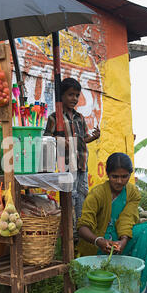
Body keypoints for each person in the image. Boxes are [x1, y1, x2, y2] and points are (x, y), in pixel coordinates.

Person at [77, 152, 147, 293]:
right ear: (108, 174)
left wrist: (123, 240)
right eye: (115, 176)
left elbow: (126, 219)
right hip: (101, 245)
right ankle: (140, 290)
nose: (120, 181)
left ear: (130, 175)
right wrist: (100, 241)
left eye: (124, 176)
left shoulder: (132, 192)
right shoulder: (97, 194)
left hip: (122, 240)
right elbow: (82, 227)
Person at [44, 77, 100, 224]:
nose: (74, 98)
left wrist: (93, 137)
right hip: (66, 165)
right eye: (70, 94)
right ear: (61, 96)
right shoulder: (54, 118)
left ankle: (81, 229)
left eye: (76, 95)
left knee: (82, 195)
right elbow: (47, 139)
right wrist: (60, 140)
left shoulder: (79, 117)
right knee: (70, 197)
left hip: (82, 164)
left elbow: (84, 139)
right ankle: (70, 231)